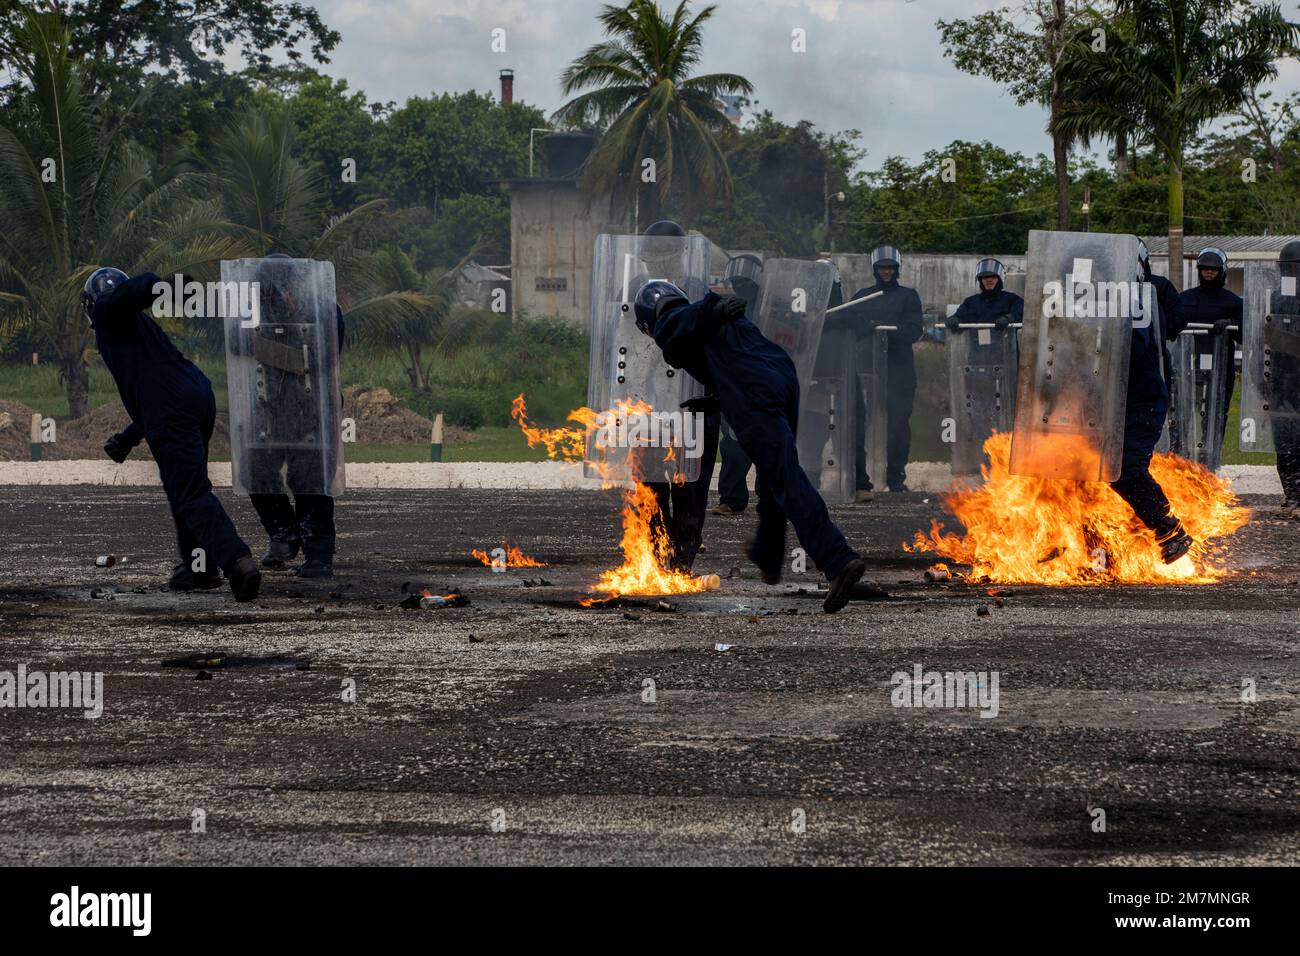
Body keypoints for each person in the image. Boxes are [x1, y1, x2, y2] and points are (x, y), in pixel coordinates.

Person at [634, 280, 867, 613]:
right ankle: (768, 553)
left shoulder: (675, 319)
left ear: (648, 320)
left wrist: (712, 306)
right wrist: (716, 399)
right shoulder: (715, 326)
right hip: (780, 377)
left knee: (786, 477)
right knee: (776, 477)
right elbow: (736, 357)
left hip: (755, 393)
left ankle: (838, 559)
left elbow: (687, 320)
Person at [88, 268, 262, 600]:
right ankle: (199, 568)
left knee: (190, 493)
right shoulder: (136, 328)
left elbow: (129, 294)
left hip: (171, 406)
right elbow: (154, 395)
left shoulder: (106, 314)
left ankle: (237, 560)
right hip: (195, 394)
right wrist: (128, 438)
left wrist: (159, 284)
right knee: (184, 487)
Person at [243, 254, 346, 578]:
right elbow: (236, 343)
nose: (267, 300)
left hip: (313, 408)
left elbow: (318, 357)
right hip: (269, 407)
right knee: (255, 471)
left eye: (269, 293)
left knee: (309, 481)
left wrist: (263, 346)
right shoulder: (258, 312)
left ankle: (318, 553)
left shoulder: (323, 311)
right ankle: (284, 535)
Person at [636, 221, 720, 572]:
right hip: (650, 405)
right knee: (650, 486)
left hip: (694, 403)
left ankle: (681, 562)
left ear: (682, 254)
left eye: (664, 256)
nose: (658, 263)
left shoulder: (702, 293)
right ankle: (657, 559)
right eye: (652, 257)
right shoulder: (636, 292)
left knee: (690, 488)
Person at [1107, 253, 1193, 563]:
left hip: (1142, 399)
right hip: (1102, 399)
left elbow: (1137, 344)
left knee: (1125, 468)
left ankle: (1171, 531)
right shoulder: (1098, 296)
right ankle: (1084, 540)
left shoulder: (1146, 298)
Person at [843, 245, 924, 498]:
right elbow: (849, 324)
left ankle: (896, 478)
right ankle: (860, 478)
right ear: (875, 270)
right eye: (881, 268)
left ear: (896, 269)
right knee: (860, 423)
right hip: (866, 369)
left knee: (898, 425)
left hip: (899, 372)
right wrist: (865, 327)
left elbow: (914, 330)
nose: (886, 272)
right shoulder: (863, 296)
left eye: (889, 268)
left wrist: (887, 329)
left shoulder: (908, 296)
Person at [1176, 247, 1241, 459]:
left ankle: (1211, 459)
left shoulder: (1232, 302)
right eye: (1205, 270)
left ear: (1221, 272)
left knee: (1215, 414)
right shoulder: (1184, 298)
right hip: (1188, 366)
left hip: (1220, 368)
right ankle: (1180, 458)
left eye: (1213, 270)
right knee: (1181, 411)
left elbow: (1245, 333)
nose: (1209, 273)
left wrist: (1231, 323)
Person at [711, 254, 762, 516]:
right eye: (737, 281)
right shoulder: (729, 308)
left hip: (763, 384)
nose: (742, 285)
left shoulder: (770, 307)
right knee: (732, 442)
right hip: (735, 384)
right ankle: (731, 498)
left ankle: (772, 501)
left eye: (746, 281)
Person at [1267, 241, 1300, 515]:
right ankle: (1291, 494)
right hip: (1281, 382)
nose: (1292, 272)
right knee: (1285, 444)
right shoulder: (1276, 298)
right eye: (1288, 267)